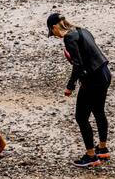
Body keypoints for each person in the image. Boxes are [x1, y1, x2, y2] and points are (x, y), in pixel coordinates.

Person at [46, 11, 111, 169]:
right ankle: (102, 149)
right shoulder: (82, 30)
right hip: (105, 74)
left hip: (93, 80)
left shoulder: (69, 37)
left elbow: (78, 64)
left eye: (52, 32)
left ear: (55, 27)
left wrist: (70, 86)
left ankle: (90, 156)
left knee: (81, 117)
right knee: (98, 111)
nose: (54, 35)